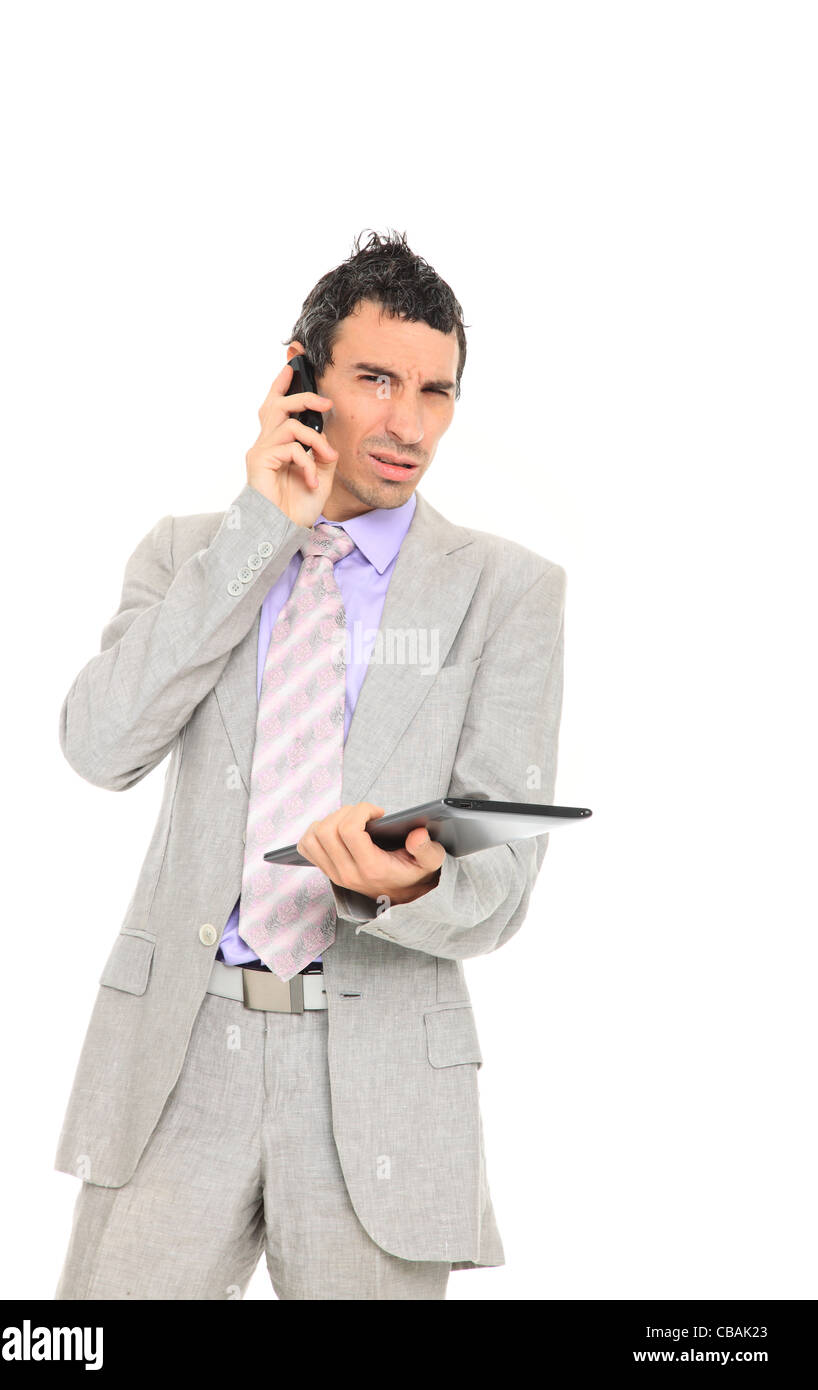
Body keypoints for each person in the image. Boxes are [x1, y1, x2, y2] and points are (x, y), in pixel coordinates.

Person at [53, 229, 568, 1301]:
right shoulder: (190, 550)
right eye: (375, 379)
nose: (407, 421)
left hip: (379, 1068)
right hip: (178, 1059)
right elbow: (100, 745)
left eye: (434, 390)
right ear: (299, 377)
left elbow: (500, 885)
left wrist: (409, 881)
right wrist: (259, 530)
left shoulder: (506, 594)